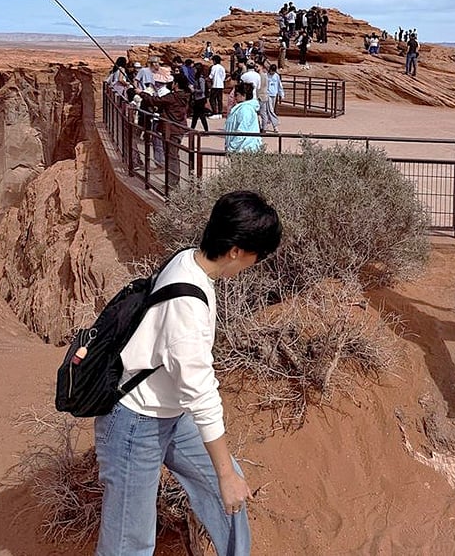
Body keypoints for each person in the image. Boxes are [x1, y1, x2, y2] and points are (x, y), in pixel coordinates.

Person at [94, 191, 282, 556]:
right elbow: (201, 392)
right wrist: (225, 474)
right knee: (129, 543)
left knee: (228, 491)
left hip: (171, 413)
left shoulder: (187, 260)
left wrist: (227, 476)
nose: (253, 264)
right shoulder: (188, 307)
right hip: (136, 422)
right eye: (256, 255)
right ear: (236, 251)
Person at [224, 83, 262, 153]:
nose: (234, 97)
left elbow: (242, 132)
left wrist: (231, 148)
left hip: (245, 149)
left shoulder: (245, 109)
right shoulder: (241, 108)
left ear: (244, 95)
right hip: (240, 148)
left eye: (236, 94)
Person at [263, 64, 285, 133]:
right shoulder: (266, 76)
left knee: (270, 110)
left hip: (274, 94)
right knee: (270, 110)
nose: (272, 73)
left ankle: (265, 124)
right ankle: (275, 125)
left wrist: (281, 94)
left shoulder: (276, 76)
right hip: (268, 94)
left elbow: (279, 85)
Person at [190, 63, 209, 132]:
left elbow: (202, 90)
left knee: (201, 115)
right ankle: (192, 129)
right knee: (195, 116)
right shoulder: (196, 78)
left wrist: (194, 90)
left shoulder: (200, 79)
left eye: (194, 69)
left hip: (200, 99)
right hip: (197, 98)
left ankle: (206, 130)